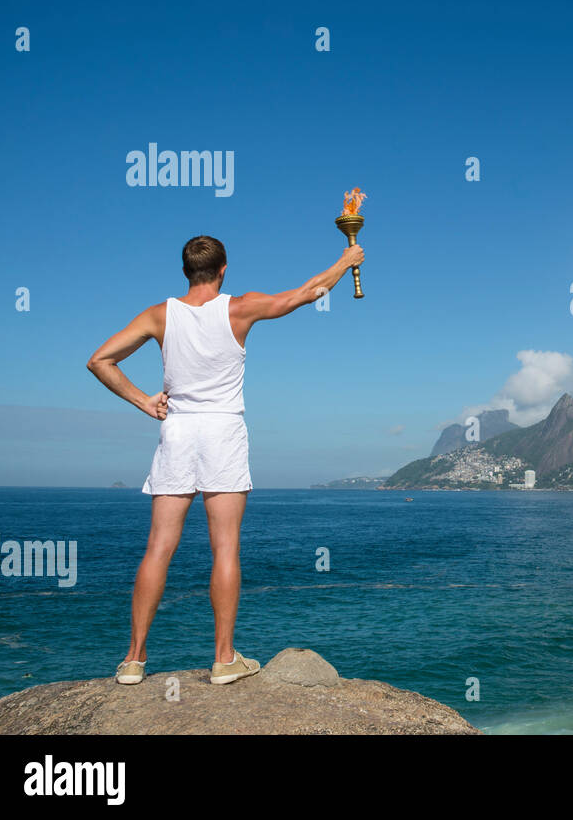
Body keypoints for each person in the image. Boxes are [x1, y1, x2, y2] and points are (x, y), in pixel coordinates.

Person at [87, 235, 365, 685]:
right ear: (223, 269)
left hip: (177, 431)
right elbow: (305, 293)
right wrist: (346, 260)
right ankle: (223, 658)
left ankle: (133, 661)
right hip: (222, 431)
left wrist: (143, 401)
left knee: (159, 546)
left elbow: (100, 360)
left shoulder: (160, 315)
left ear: (185, 271)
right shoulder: (239, 307)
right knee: (225, 547)